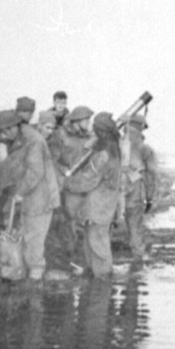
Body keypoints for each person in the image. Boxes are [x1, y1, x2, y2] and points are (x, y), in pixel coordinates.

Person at [0, 109, 60, 281]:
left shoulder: (33, 140)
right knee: (26, 235)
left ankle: (35, 279)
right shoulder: (18, 138)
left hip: (41, 196)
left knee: (34, 240)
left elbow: (35, 172)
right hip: (30, 194)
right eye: (1, 132)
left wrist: (20, 192)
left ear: (14, 127)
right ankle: (25, 275)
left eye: (6, 131)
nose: (3, 135)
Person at [63, 112, 122, 275]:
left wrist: (66, 182)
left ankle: (103, 278)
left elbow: (88, 180)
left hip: (98, 206)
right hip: (101, 204)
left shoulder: (103, 155)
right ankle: (93, 272)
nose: (93, 131)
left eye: (96, 129)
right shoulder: (112, 149)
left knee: (98, 243)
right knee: (91, 241)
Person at [56, 105, 94, 261]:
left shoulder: (91, 137)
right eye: (87, 120)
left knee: (86, 219)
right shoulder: (62, 135)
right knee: (70, 218)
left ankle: (86, 252)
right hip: (70, 184)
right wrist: (62, 175)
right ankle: (70, 253)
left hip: (86, 184)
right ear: (78, 121)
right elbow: (54, 159)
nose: (89, 123)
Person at [121, 114, 157, 263]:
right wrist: (149, 198)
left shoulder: (117, 141)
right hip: (134, 188)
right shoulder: (145, 148)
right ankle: (137, 258)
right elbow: (151, 175)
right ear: (141, 128)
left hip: (113, 187)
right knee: (135, 223)